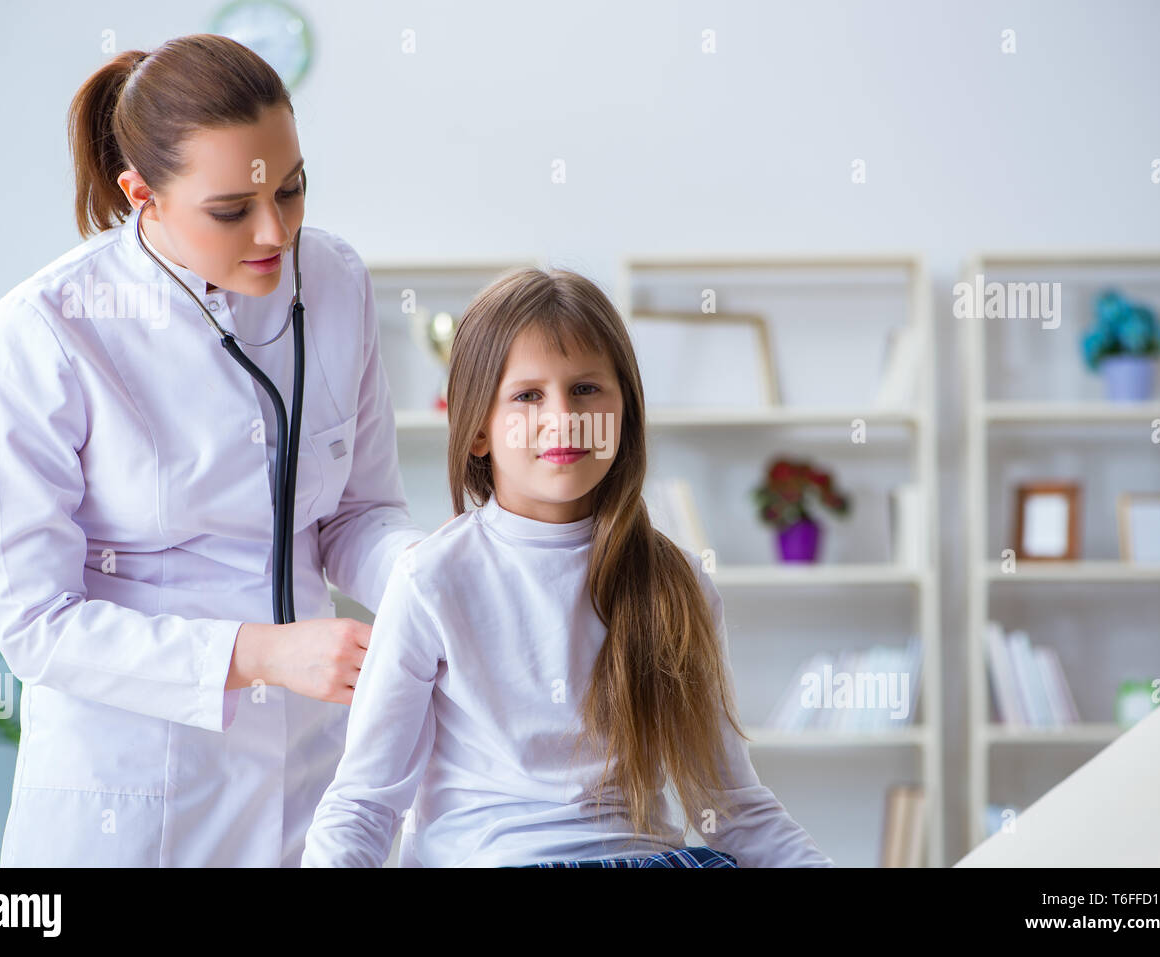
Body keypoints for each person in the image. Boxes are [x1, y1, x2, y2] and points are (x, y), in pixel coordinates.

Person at [0, 34, 426, 866]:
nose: (275, 230)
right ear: (140, 193)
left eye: (292, 190)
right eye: (231, 210)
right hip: (128, 789)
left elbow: (356, 514)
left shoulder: (335, 281)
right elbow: (34, 621)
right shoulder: (49, 327)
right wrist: (260, 651)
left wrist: (435, 576)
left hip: (305, 775)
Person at [301, 267, 834, 867]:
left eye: (586, 389)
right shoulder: (431, 579)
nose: (564, 418)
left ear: (625, 412)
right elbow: (364, 805)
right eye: (528, 395)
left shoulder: (676, 582)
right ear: (478, 429)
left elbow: (736, 808)